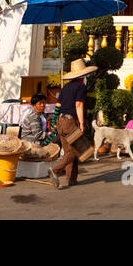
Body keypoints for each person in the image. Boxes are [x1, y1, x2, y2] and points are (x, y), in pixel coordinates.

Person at [49, 59, 96, 189]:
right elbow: (79, 105)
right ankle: (56, 170)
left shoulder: (66, 87)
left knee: (70, 151)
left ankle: (71, 180)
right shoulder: (81, 87)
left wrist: (54, 122)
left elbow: (58, 105)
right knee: (80, 149)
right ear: (83, 75)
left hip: (61, 120)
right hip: (70, 121)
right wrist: (81, 123)